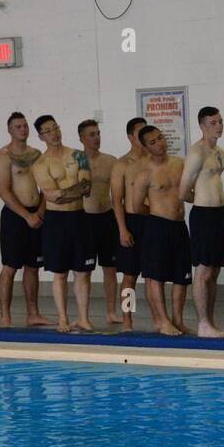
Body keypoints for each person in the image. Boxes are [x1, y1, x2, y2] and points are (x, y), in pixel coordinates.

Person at [31, 115, 94, 332]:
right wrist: (68, 192)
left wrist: (62, 193)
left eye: (55, 128)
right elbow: (50, 196)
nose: (54, 133)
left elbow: (87, 188)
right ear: (40, 136)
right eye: (48, 131)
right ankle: (63, 319)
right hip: (56, 221)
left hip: (79, 217)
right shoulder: (40, 164)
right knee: (60, 273)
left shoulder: (79, 155)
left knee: (83, 271)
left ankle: (84, 318)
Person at [132, 126, 191, 336]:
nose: (160, 144)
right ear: (146, 147)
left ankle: (178, 320)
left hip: (179, 225)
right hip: (157, 226)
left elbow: (188, 193)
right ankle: (163, 321)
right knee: (156, 276)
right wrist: (157, 214)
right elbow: (136, 206)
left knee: (181, 276)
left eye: (161, 138)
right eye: (153, 142)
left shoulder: (179, 164)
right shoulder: (145, 173)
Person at [0, 112, 50, 327]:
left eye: (25, 126)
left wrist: (40, 213)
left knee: (33, 266)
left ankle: (33, 313)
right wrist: (26, 215)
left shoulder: (37, 154)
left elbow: (46, 187)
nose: (23, 130)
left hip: (37, 213)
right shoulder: (3, 156)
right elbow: (4, 191)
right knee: (10, 266)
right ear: (9, 130)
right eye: (18, 126)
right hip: (16, 216)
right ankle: (5, 315)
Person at [180, 106, 224, 338]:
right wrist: (201, 201)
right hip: (203, 215)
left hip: (220, 214)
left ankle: (210, 322)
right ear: (202, 126)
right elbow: (183, 191)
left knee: (215, 270)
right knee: (203, 271)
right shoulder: (196, 153)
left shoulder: (221, 152)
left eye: (220, 121)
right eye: (213, 123)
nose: (219, 126)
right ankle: (203, 324)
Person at [78, 119, 125, 327]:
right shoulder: (75, 161)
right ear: (82, 138)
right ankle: (83, 315)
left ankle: (111, 312)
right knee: (84, 270)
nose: (96, 138)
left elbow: (118, 195)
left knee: (110, 268)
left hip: (107, 217)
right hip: (85, 219)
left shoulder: (111, 161)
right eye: (91, 134)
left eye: (98, 133)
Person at [110, 116, 150, 332]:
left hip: (154, 220)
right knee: (130, 276)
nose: (144, 136)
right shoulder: (122, 165)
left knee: (156, 275)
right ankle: (127, 319)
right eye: (139, 132)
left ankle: (160, 318)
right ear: (129, 137)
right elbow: (116, 201)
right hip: (132, 222)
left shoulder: (154, 160)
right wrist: (122, 229)